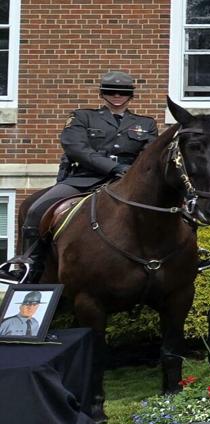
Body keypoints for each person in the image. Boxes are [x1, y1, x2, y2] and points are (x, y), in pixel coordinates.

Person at [8, 70, 160, 280]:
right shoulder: (82, 117)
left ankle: (190, 255)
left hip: (128, 183)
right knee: (36, 209)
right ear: (102, 94)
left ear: (131, 95)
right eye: (111, 91)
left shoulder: (146, 124)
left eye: (122, 92)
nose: (117, 96)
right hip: (84, 179)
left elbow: (149, 155)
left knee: (172, 206)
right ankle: (27, 265)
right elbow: (77, 148)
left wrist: (132, 174)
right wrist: (114, 168)